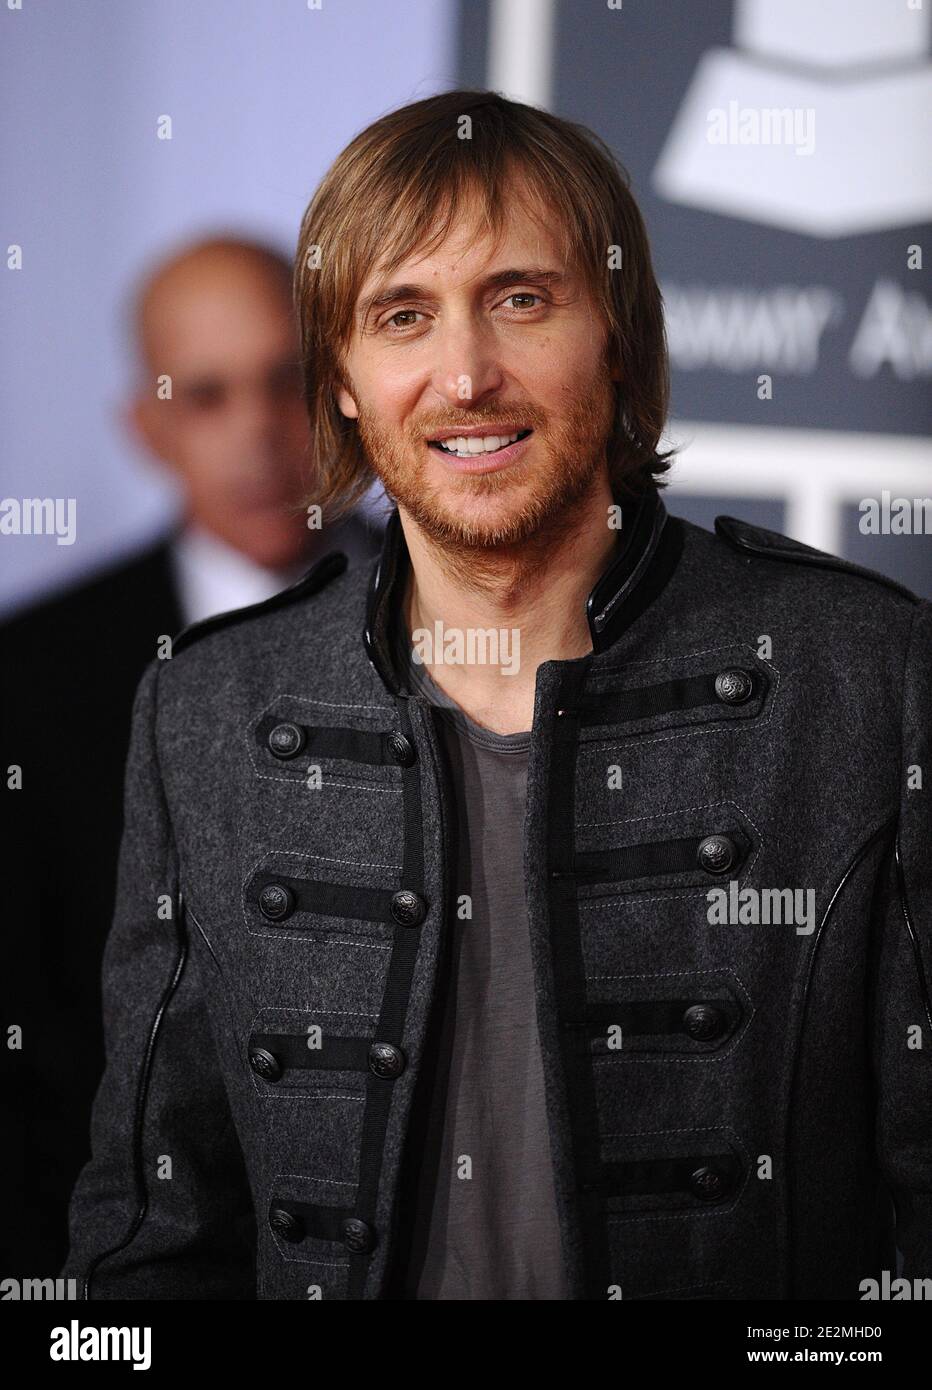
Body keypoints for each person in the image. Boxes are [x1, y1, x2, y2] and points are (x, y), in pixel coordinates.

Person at [59, 91, 930, 1301]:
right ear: (347, 382)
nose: (464, 375)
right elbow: (152, 1233)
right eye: (401, 315)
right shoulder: (205, 709)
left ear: (617, 334)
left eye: (519, 299)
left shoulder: (864, 673)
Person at [0, 236, 381, 1275]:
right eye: (205, 395)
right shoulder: (28, 682)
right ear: (147, 427)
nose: (258, 432)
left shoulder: (476, 624)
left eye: (285, 381)